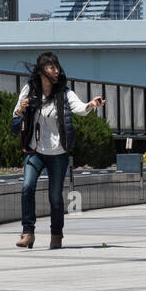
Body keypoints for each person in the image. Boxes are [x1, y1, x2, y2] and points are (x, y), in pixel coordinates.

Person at [11, 52, 105, 250]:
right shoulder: (29, 89)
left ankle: (56, 235)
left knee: (55, 196)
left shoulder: (64, 92)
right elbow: (15, 118)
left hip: (58, 152)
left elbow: (80, 108)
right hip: (34, 150)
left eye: (57, 67)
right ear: (42, 70)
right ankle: (28, 232)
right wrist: (21, 110)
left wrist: (91, 104)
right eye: (52, 67)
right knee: (27, 187)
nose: (56, 71)